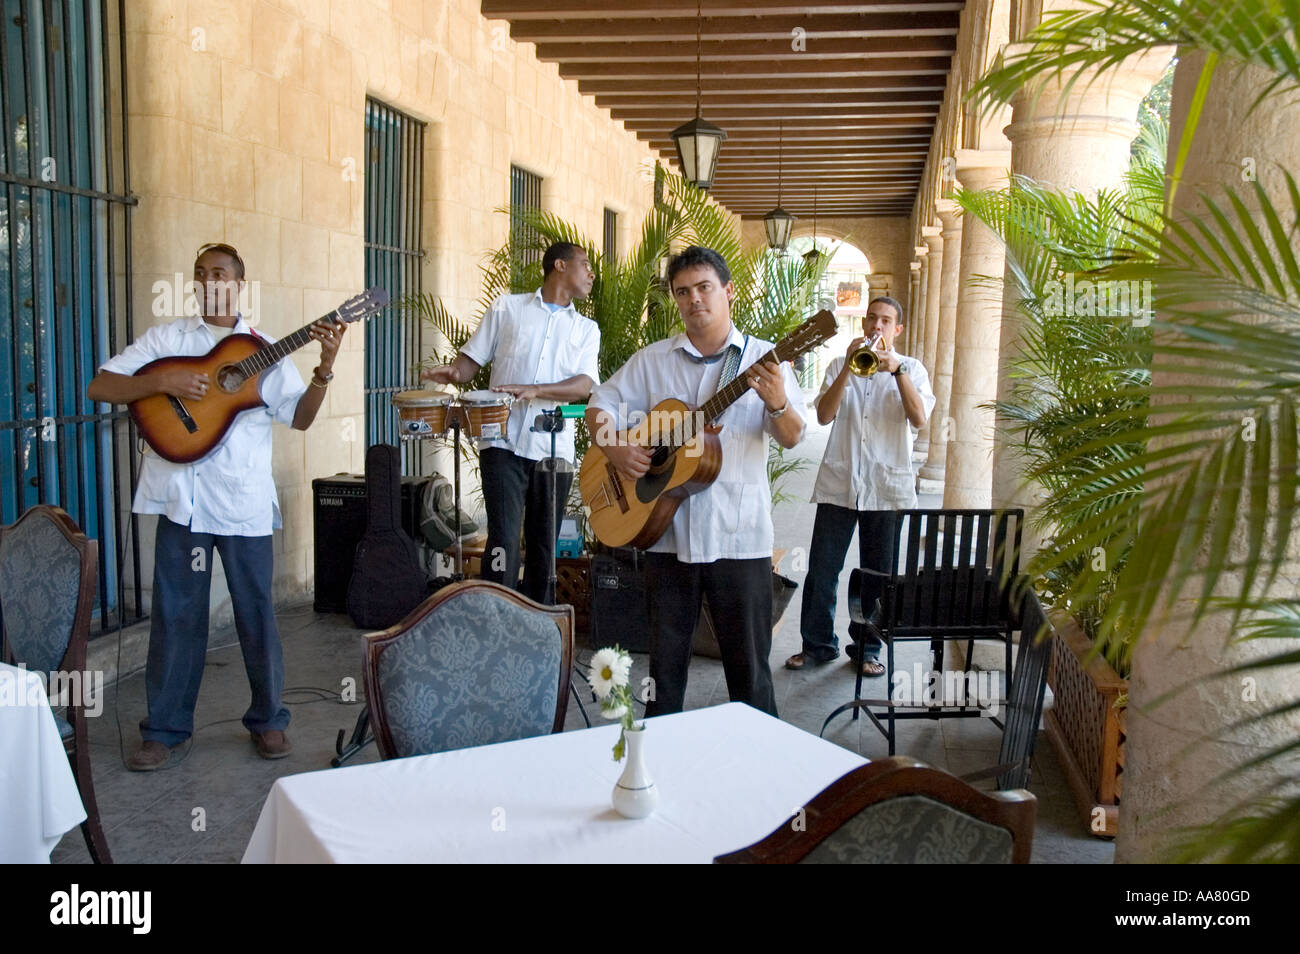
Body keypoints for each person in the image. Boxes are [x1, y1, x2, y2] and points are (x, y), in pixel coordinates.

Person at [87, 242, 344, 770]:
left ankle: (269, 720)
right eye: (201, 273)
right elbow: (100, 385)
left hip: (241, 500)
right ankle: (164, 729)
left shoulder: (264, 348)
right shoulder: (168, 341)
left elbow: (300, 419)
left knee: (256, 613)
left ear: (239, 283)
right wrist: (161, 380)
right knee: (177, 615)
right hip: (182, 500)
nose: (210, 281)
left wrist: (324, 369)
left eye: (221, 273)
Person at [586, 246, 806, 716]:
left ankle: (762, 768)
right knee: (663, 674)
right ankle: (656, 769)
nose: (694, 300)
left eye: (704, 288)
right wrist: (617, 447)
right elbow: (599, 405)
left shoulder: (766, 360)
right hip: (667, 536)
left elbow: (792, 437)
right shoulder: (652, 361)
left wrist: (778, 404)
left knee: (749, 673)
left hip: (739, 537)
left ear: (727, 291)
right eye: (682, 292)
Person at [422, 242, 599, 602]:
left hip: (554, 449)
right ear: (560, 266)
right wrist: (454, 372)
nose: (592, 273)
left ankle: (540, 624)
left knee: (544, 542)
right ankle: (496, 616)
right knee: (502, 538)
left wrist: (536, 390)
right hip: (502, 441)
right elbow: (471, 361)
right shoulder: (507, 308)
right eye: (586, 264)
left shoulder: (586, 329)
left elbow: (584, 385)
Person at [785, 296, 935, 676]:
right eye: (873, 319)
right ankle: (817, 645)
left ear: (897, 330)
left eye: (886, 321)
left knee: (877, 573)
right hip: (840, 484)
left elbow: (918, 418)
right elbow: (823, 415)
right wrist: (848, 371)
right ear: (865, 322)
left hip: (886, 489)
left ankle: (868, 649)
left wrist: (896, 371)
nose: (877, 328)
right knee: (822, 569)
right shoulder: (841, 364)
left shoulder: (913, 369)